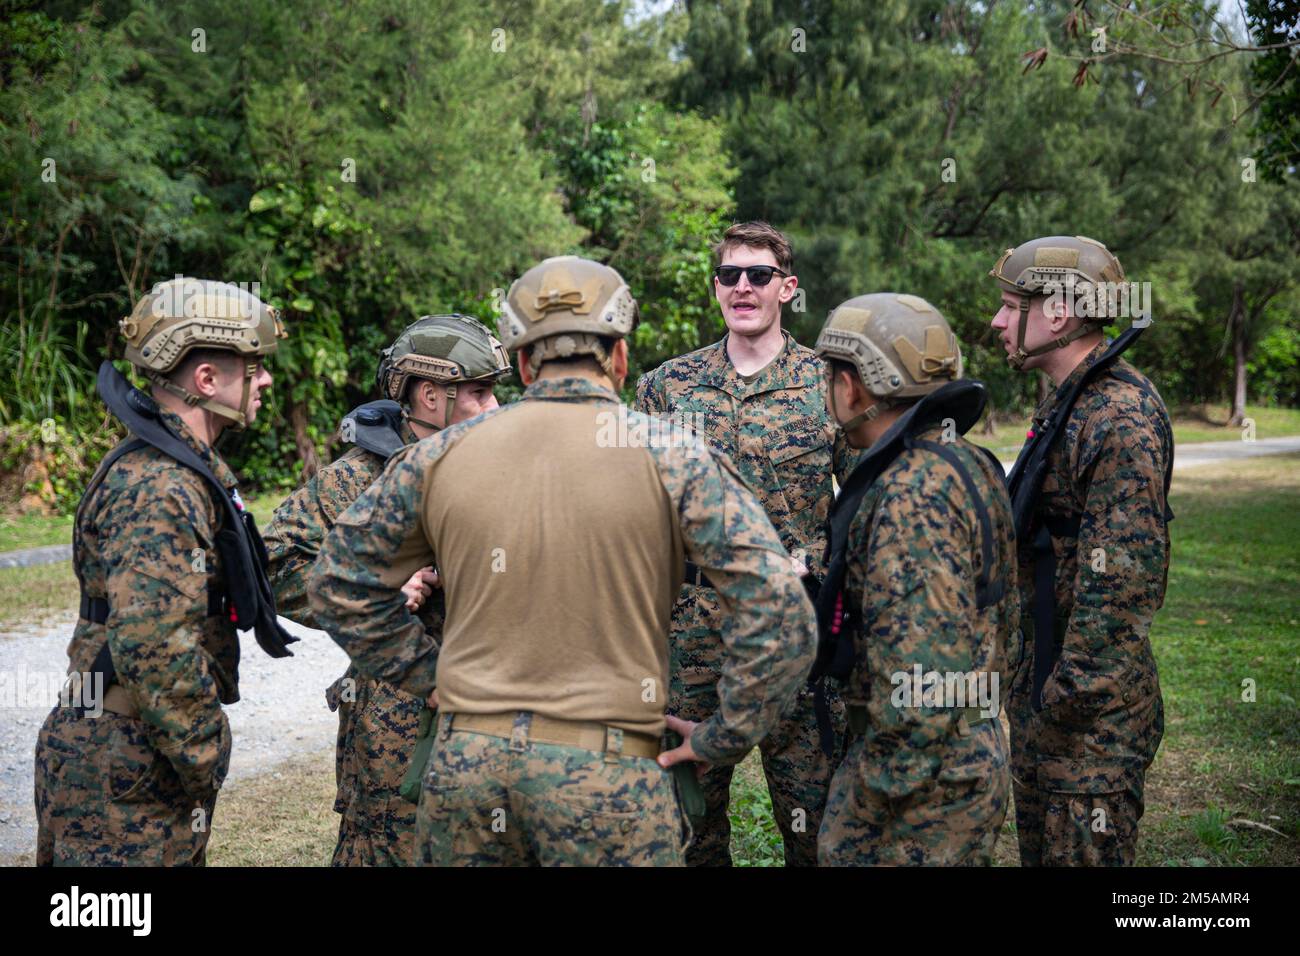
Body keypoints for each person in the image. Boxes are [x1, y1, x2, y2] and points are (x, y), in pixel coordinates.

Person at [308, 255, 817, 866]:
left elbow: (336, 581)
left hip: (467, 777)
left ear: (523, 363)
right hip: (609, 778)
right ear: (621, 358)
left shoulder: (438, 457)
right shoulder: (673, 457)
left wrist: (428, 674)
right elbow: (782, 611)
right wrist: (724, 735)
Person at [35, 277, 292, 866]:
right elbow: (152, 642)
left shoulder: (180, 469)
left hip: (131, 754)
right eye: (254, 367)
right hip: (123, 764)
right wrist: (206, 751)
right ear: (206, 381)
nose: (266, 381)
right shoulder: (163, 487)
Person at [635, 220, 853, 866]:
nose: (743, 287)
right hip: (691, 633)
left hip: (794, 627)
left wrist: (811, 564)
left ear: (787, 287)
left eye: (759, 275)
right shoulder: (666, 388)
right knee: (687, 823)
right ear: (716, 288)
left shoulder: (828, 384)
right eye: (730, 275)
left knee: (814, 820)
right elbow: (640, 507)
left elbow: (862, 504)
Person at [264, 314, 509, 866]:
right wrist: (378, 591)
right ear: (428, 395)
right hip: (394, 715)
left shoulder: (502, 467)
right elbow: (275, 563)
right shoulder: (357, 478)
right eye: (479, 392)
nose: (494, 407)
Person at [812, 292, 1018, 865]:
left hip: (923, 781)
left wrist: (872, 792)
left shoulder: (910, 492)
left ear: (853, 385)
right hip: (966, 751)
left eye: (832, 376)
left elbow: (922, 675)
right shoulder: (968, 461)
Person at [990, 235, 1172, 866]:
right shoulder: (1070, 398)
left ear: (1059, 314)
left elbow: (1125, 580)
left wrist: (1065, 699)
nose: (997, 320)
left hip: (1085, 728)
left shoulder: (1117, 416)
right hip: (1047, 704)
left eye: (1012, 305)